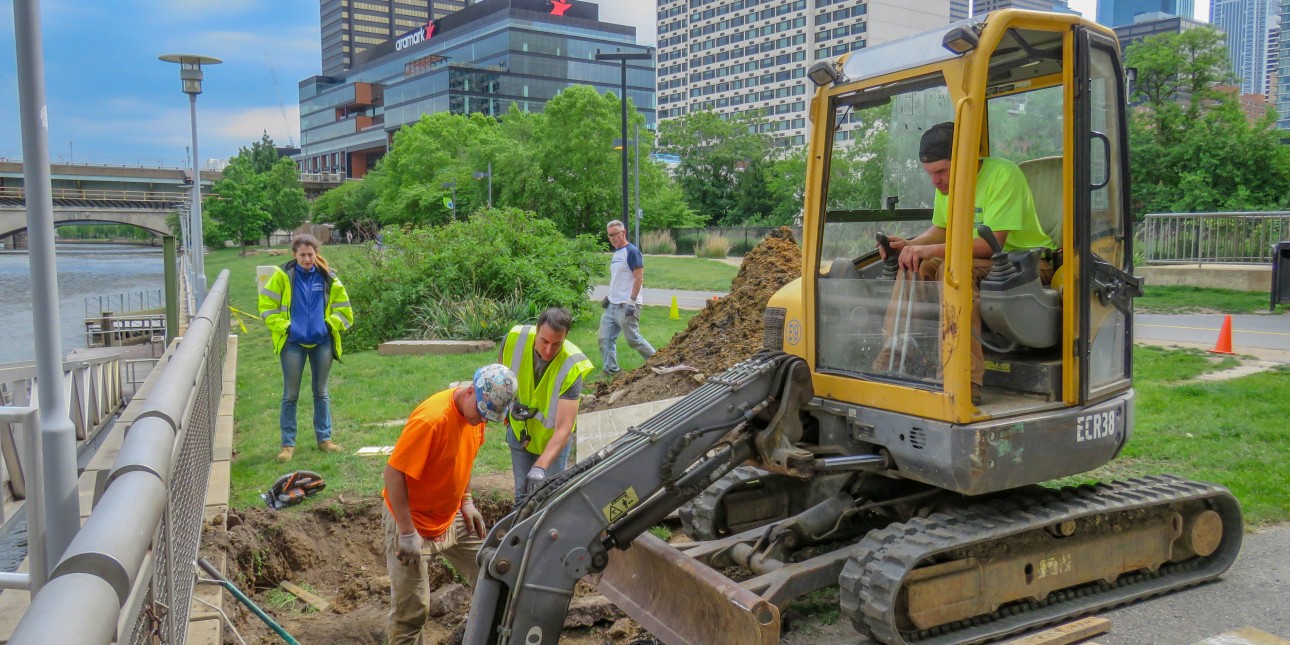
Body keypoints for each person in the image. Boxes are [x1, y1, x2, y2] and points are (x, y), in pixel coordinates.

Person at [876, 122, 1055, 403]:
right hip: (980, 261)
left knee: (955, 269)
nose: (936, 181)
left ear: (965, 158)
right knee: (914, 266)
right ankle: (893, 362)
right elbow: (942, 230)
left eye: (941, 171)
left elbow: (989, 244)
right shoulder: (947, 185)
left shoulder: (1003, 174)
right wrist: (909, 247)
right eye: (930, 174)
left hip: (1024, 263)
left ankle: (962, 379)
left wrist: (931, 250)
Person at [382, 363, 517, 645]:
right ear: (470, 392)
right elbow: (393, 473)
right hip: (411, 518)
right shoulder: (432, 420)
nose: (481, 420)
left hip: (449, 514)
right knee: (413, 611)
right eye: (481, 412)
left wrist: (466, 501)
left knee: (491, 568)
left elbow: (462, 459)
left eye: (488, 417)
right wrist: (406, 532)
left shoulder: (476, 418)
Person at [258, 234, 355, 462]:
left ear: (316, 253)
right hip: (293, 344)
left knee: (321, 393)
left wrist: (329, 325)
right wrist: (287, 328)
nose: (307, 259)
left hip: (322, 343)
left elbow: (345, 311)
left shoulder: (328, 278)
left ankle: (325, 440)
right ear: (295, 255)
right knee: (290, 395)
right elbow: (267, 308)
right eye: (302, 255)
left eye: (311, 254)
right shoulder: (282, 276)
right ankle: (287, 445)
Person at [500, 308, 594, 505]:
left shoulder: (571, 366)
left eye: (557, 344)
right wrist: (509, 405)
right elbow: (502, 377)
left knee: (549, 501)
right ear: (536, 330)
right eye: (544, 341)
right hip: (520, 432)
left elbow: (564, 428)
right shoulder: (514, 340)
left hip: (553, 440)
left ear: (566, 337)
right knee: (522, 497)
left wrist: (541, 467)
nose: (548, 350)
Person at [598, 219, 656, 377]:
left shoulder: (632, 251)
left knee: (633, 340)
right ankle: (611, 370)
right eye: (609, 235)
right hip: (612, 305)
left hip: (627, 306)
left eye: (614, 235)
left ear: (623, 233)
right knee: (604, 338)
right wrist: (609, 296)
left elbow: (638, 278)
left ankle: (659, 361)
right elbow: (619, 279)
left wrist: (632, 301)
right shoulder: (616, 253)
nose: (611, 238)